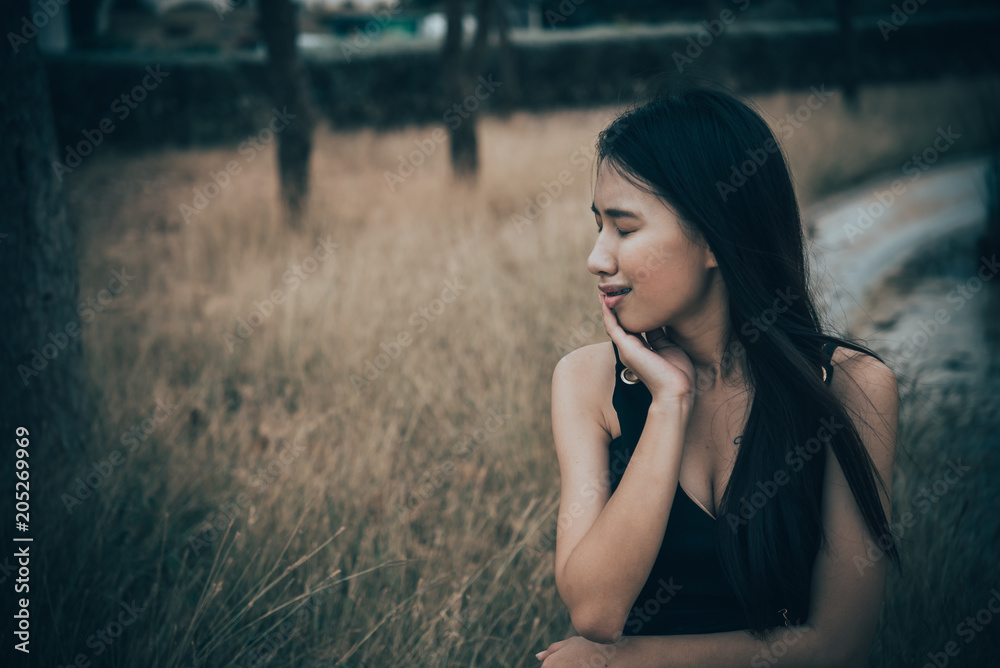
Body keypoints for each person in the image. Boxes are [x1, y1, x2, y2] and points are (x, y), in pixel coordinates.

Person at [535, 82, 902, 667]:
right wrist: (668, 403)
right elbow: (595, 611)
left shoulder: (852, 388)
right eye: (597, 225)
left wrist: (622, 663)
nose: (597, 257)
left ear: (712, 237)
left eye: (624, 229)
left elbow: (839, 645)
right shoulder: (585, 382)